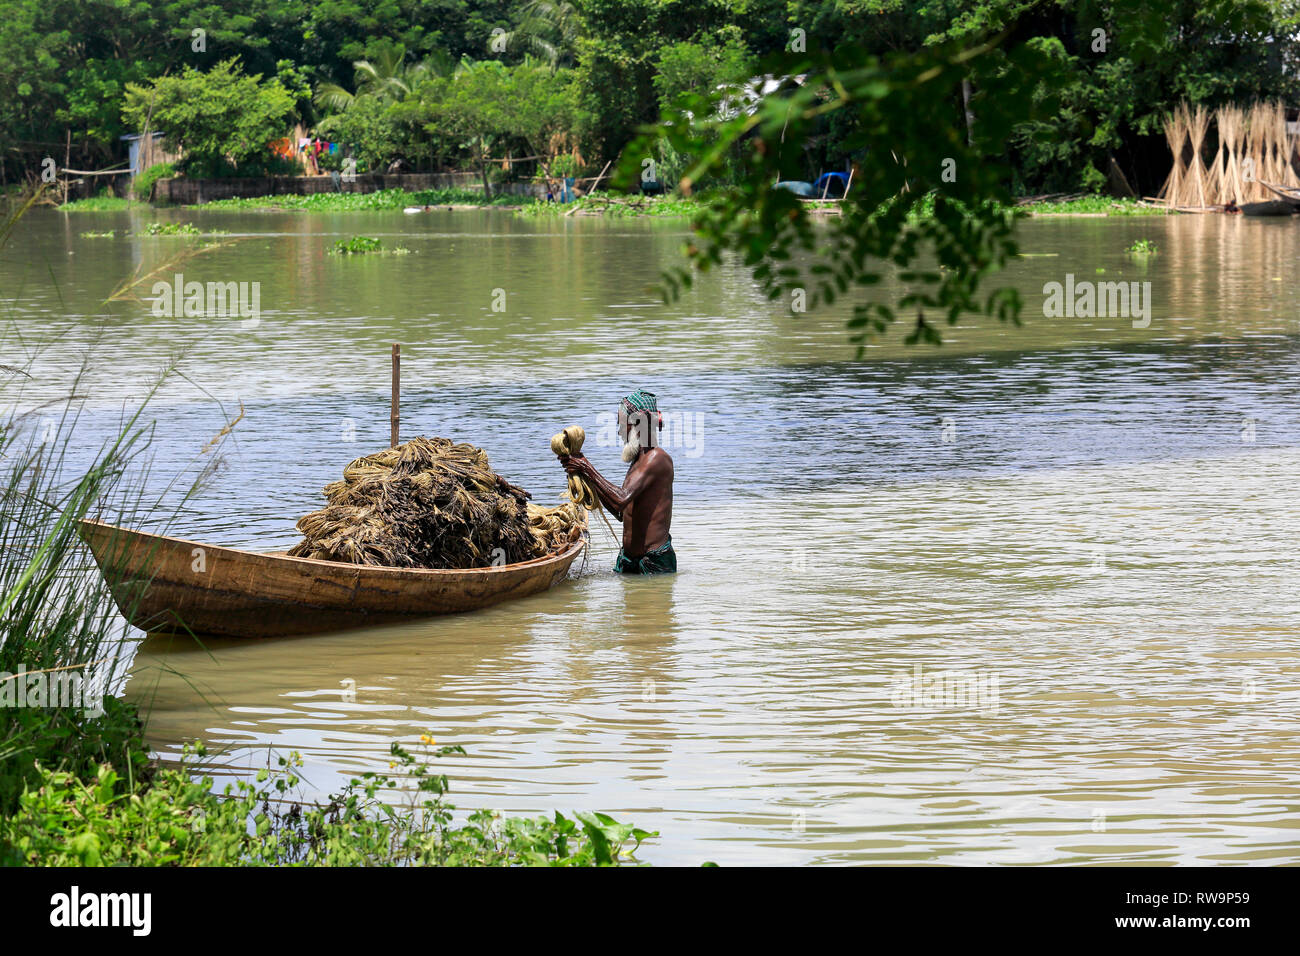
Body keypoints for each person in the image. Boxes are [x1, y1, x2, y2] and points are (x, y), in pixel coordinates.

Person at [560, 389, 676, 575]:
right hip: (630, 562)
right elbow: (621, 510)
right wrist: (585, 476)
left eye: (622, 424)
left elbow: (621, 498)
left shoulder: (657, 458)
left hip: (653, 563)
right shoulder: (638, 462)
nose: (620, 430)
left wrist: (586, 467)